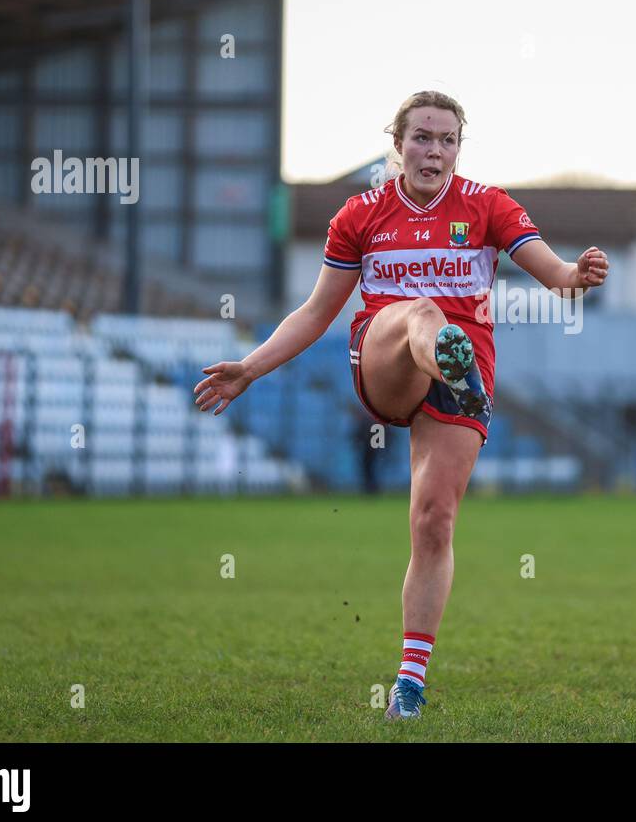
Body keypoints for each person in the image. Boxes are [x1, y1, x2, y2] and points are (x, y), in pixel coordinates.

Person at [193, 91, 608, 719]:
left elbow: (553, 275)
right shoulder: (360, 215)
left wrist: (580, 273)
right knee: (420, 312)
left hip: (463, 374)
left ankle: (409, 680)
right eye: (421, 137)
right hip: (384, 358)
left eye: (446, 140)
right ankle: (444, 353)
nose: (433, 151)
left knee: (434, 521)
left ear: (459, 149)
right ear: (399, 143)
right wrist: (249, 367)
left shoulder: (488, 206)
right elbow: (315, 312)